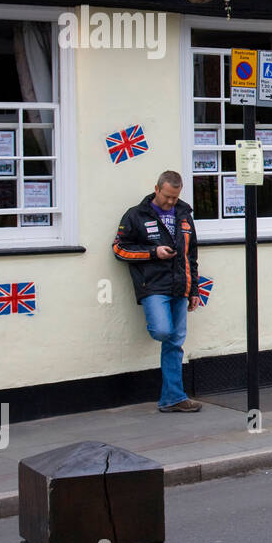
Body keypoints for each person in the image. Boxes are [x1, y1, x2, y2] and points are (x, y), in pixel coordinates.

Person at [113, 170, 202, 412]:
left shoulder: (184, 215)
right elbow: (119, 249)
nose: (171, 202)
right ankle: (172, 395)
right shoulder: (136, 215)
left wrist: (194, 289)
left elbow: (191, 255)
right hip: (152, 287)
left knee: (175, 342)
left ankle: (173, 398)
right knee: (164, 331)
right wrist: (154, 252)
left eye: (175, 197)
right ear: (157, 189)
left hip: (180, 287)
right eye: (167, 197)